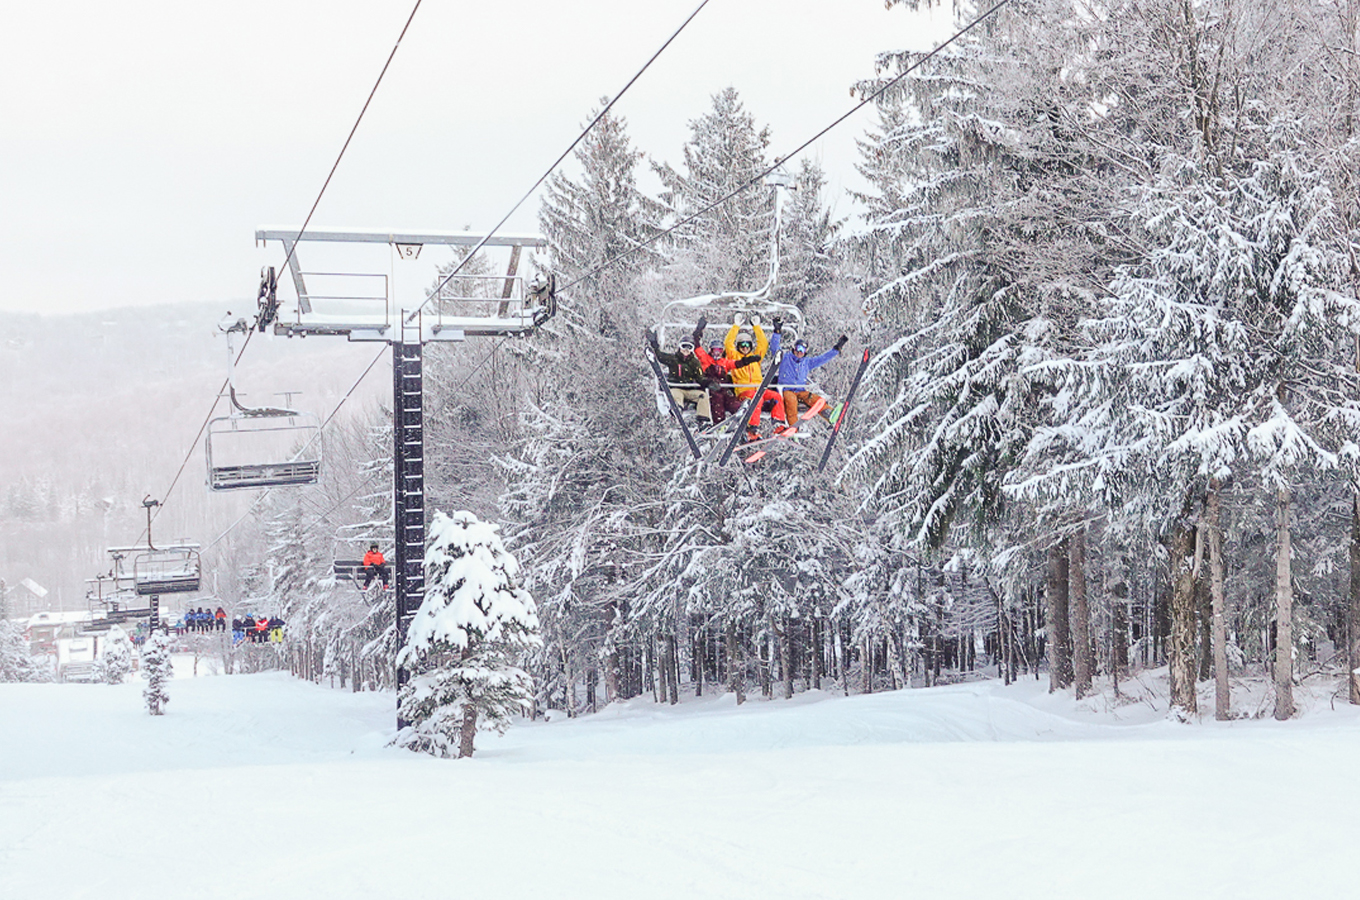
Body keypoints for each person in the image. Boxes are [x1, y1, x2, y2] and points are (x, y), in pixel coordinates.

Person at [724, 316, 788, 441]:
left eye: (747, 344)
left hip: (760, 389)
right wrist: (736, 326)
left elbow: (763, 344)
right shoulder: (735, 358)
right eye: (742, 344)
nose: (745, 347)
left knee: (777, 397)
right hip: (745, 391)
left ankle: (778, 423)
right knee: (756, 399)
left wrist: (757, 327)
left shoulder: (755, 358)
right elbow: (728, 343)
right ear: (738, 346)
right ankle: (752, 429)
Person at [692, 316, 755, 427]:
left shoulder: (724, 362)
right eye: (714, 351)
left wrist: (746, 361)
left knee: (731, 400)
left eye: (719, 351)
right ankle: (719, 424)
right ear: (710, 351)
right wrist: (698, 331)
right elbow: (696, 347)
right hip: (712, 389)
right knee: (717, 401)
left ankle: (742, 419)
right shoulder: (706, 360)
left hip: (723, 388)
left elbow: (735, 364)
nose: (717, 354)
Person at [778, 335, 848, 429]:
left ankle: (829, 414)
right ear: (794, 348)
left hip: (800, 391)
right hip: (787, 390)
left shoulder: (807, 362)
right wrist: (777, 332)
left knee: (815, 399)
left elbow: (822, 359)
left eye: (803, 350)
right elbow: (775, 349)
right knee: (791, 403)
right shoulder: (785, 358)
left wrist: (836, 349)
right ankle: (793, 427)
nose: (800, 352)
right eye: (798, 348)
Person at [647, 329, 712, 428]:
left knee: (703, 396)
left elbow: (700, 377)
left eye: (689, 347)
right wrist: (654, 344)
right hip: (676, 388)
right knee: (677, 395)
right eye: (684, 346)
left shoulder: (694, 362)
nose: (686, 350)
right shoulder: (673, 359)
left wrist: (708, 383)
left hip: (689, 390)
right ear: (680, 347)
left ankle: (703, 420)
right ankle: (677, 409)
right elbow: (660, 357)